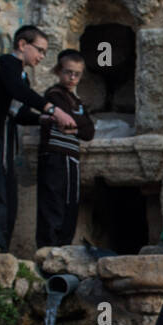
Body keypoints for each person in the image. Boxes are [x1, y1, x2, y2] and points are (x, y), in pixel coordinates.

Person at [0, 26, 53, 252]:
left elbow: (17, 112)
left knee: (9, 191)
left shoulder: (21, 75)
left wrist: (41, 120)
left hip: (7, 136)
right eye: (39, 50)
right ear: (22, 45)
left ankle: (2, 246)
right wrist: (49, 107)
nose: (41, 56)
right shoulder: (7, 65)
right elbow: (17, 91)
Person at [28, 49, 94, 247]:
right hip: (55, 156)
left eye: (77, 74)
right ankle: (48, 249)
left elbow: (89, 131)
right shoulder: (54, 95)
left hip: (72, 158)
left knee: (70, 205)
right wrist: (76, 125)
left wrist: (75, 126)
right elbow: (70, 120)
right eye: (68, 72)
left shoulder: (77, 101)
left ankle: (63, 249)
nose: (72, 77)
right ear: (58, 71)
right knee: (52, 204)